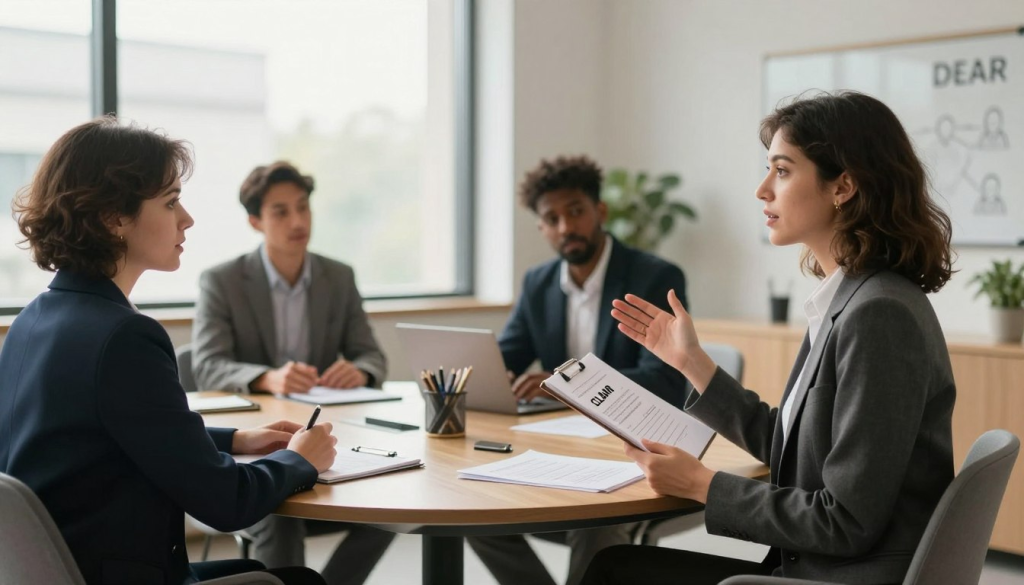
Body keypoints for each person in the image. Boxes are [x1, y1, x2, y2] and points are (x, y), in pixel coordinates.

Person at [584, 91, 957, 585]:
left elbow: (846, 521)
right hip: (822, 567)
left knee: (616, 571)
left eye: (782, 171)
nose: (762, 190)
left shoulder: (879, 314)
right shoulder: (850, 298)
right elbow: (792, 447)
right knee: (616, 566)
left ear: (843, 185)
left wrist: (704, 486)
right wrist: (692, 362)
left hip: (841, 576)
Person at [0, 117, 336, 585]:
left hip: (70, 569)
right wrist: (301, 459)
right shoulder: (125, 337)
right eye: (171, 202)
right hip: (121, 575)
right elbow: (226, 503)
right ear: (112, 217)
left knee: (256, 570)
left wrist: (235, 439)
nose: (187, 219)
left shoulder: (32, 321)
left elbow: (109, 432)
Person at [468, 155, 690, 585]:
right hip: (561, 446)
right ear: (542, 228)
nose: (566, 227)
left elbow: (665, 380)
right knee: (474, 511)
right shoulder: (538, 282)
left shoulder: (653, 276)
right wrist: (466, 371)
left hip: (629, 446)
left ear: (599, 212)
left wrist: (570, 385)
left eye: (575, 212)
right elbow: (506, 357)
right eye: (552, 218)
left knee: (599, 527)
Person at [191, 161, 393, 585]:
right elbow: (207, 364)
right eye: (281, 211)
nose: (298, 221)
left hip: (329, 435)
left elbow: (372, 356)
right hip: (263, 441)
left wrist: (359, 370)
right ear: (255, 221)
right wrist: (267, 377)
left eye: (303, 207)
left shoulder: (338, 276)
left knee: (392, 507)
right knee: (278, 515)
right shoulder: (222, 280)